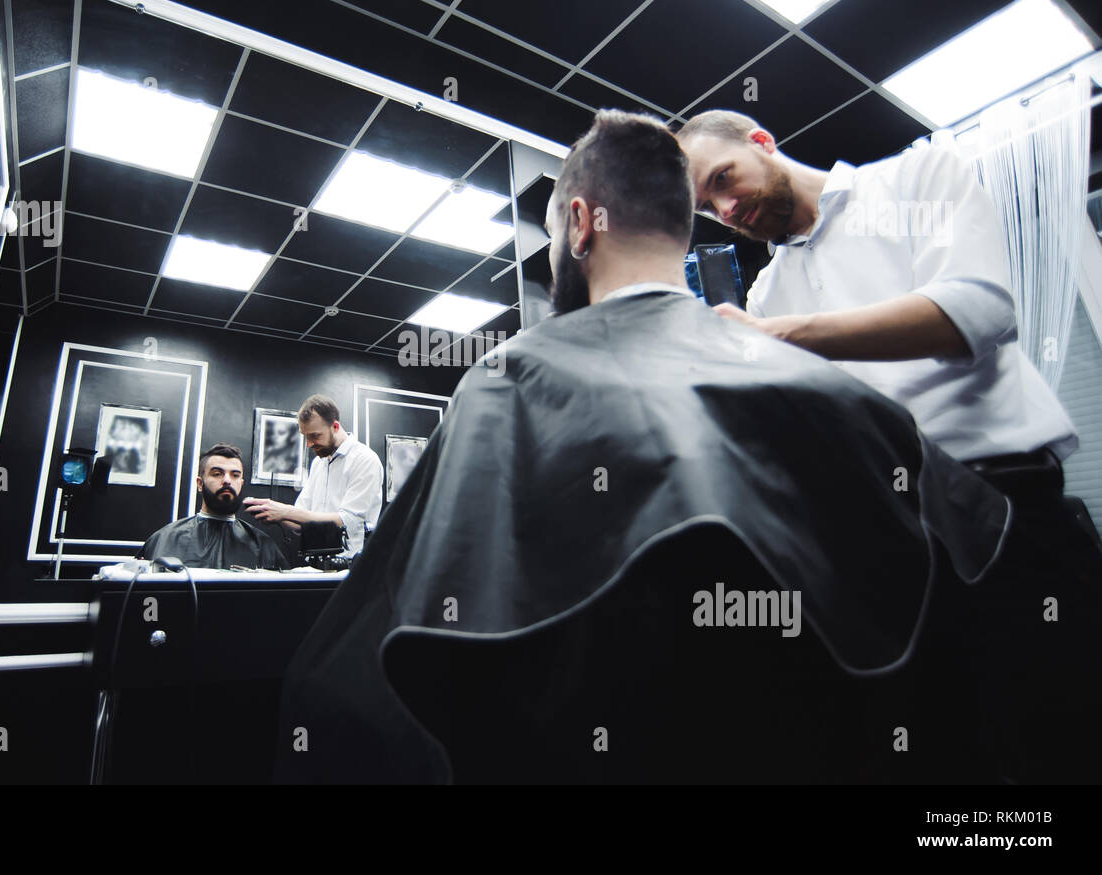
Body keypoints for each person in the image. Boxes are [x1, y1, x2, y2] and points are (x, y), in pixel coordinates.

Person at [275, 110, 1022, 784]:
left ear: (578, 224)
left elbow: (386, 667)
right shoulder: (852, 399)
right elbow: (956, 602)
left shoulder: (508, 384)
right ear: (683, 226)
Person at [679, 109, 1102, 779]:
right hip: (891, 551)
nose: (728, 208)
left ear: (764, 141)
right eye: (709, 207)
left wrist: (779, 337)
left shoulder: (917, 176)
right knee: (963, 762)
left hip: (1011, 517)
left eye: (724, 178)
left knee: (1066, 733)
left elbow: (979, 310)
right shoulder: (765, 294)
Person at [243, 394, 381, 561]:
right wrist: (273, 513)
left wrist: (286, 511)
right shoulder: (318, 463)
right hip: (315, 563)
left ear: (335, 427)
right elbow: (300, 523)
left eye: (315, 436)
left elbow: (348, 521)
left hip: (350, 566)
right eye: (305, 436)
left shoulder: (364, 459)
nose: (308, 444)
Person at [136, 443, 287, 571]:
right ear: (200, 484)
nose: (227, 480)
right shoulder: (164, 538)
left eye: (235, 475)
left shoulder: (262, 545)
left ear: (241, 484)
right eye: (217, 474)